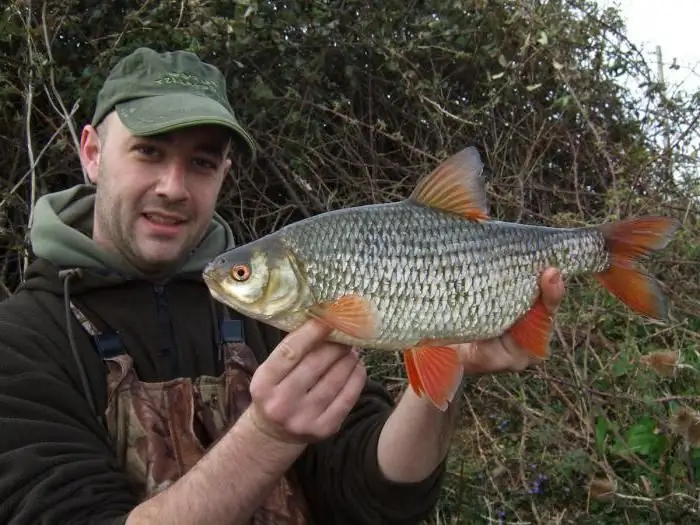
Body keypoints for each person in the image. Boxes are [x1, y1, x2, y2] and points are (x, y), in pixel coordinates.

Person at [0, 47, 565, 524]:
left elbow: (378, 495)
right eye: (148, 152)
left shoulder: (273, 305)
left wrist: (447, 361)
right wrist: (268, 436)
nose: (173, 187)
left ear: (223, 174)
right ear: (93, 152)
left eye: (200, 162)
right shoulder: (23, 342)